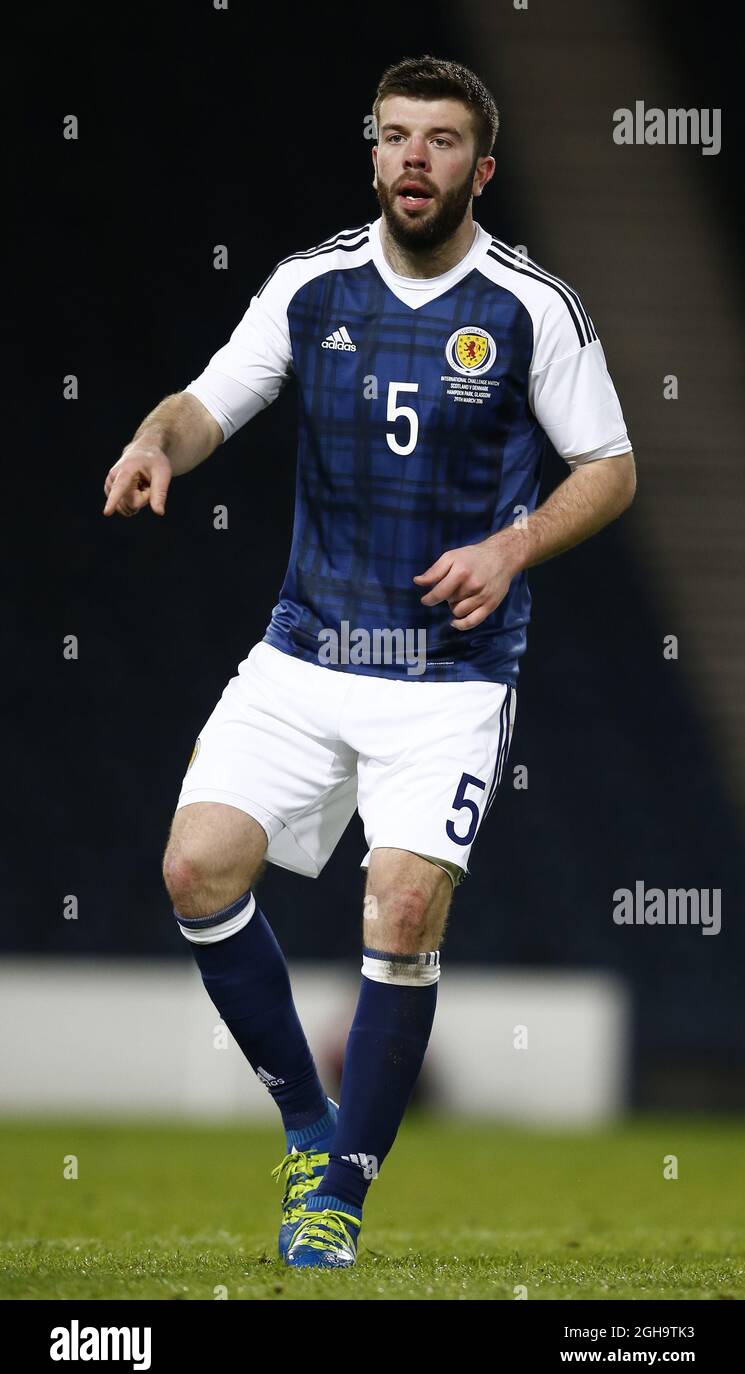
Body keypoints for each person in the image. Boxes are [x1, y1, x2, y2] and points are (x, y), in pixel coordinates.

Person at [102, 54, 635, 1268]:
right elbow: (203, 401)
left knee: (398, 908)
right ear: (373, 148)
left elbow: (609, 467)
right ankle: (308, 1124)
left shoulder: (529, 308)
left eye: (440, 141)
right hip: (307, 651)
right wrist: (154, 444)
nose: (412, 158)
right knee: (194, 867)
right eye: (394, 136)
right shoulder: (311, 286)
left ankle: (336, 1197)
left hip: (450, 677)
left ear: (479, 167)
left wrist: (510, 547)